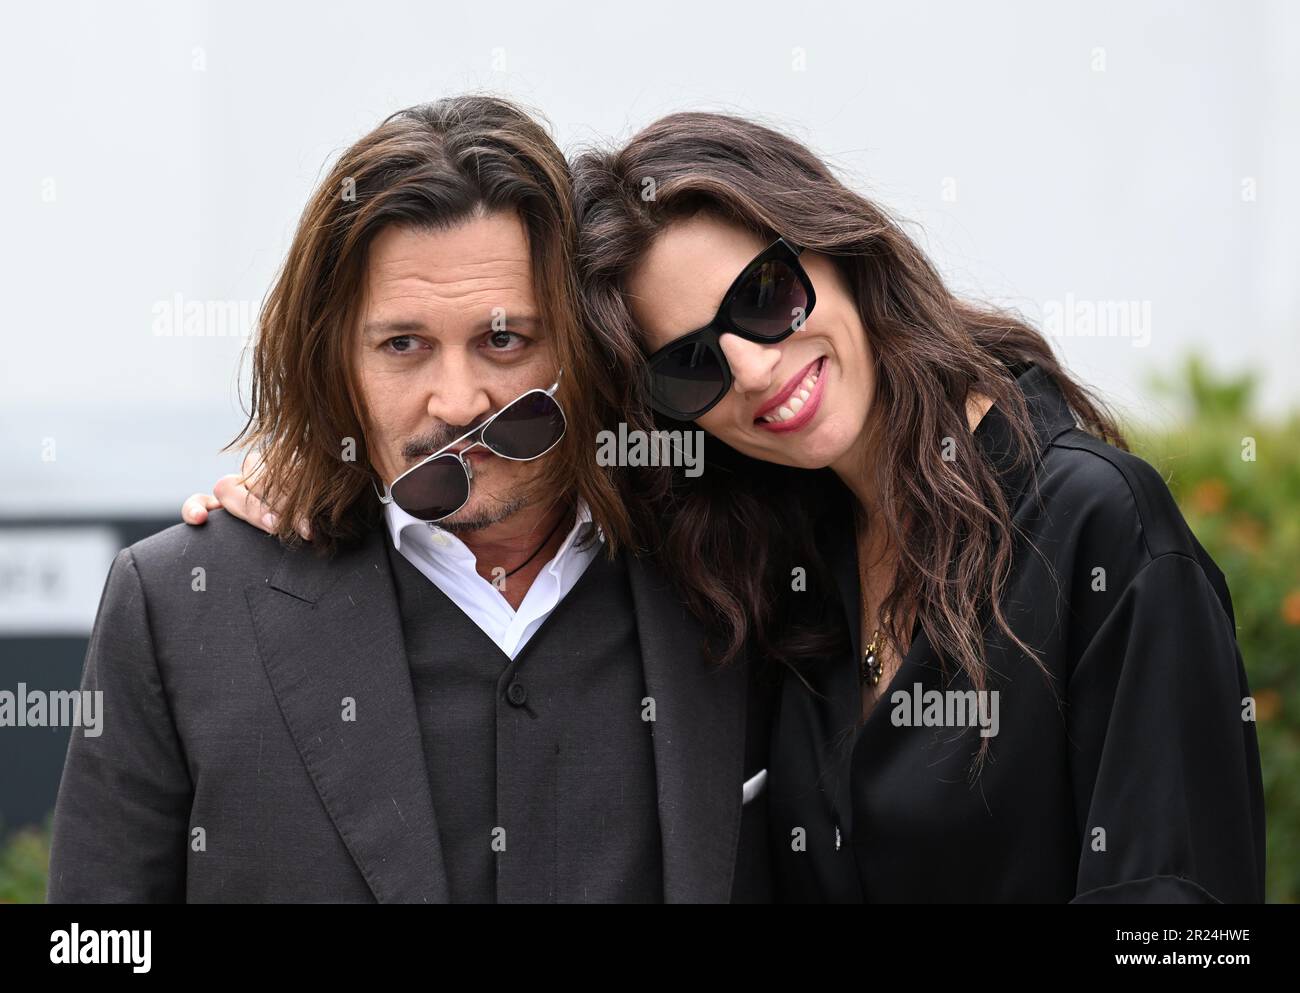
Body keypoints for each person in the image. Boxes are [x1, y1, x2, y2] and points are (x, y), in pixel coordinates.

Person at [187, 111, 1267, 903]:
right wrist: (315, 477)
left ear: (837, 248)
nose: (752, 367)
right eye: (692, 363)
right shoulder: (782, 559)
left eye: (764, 297)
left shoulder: (1096, 525)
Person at [47, 97, 772, 904]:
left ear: (587, 341)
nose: (457, 402)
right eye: (403, 345)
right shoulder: (181, 604)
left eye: (504, 339)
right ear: (336, 363)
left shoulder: (737, 562)